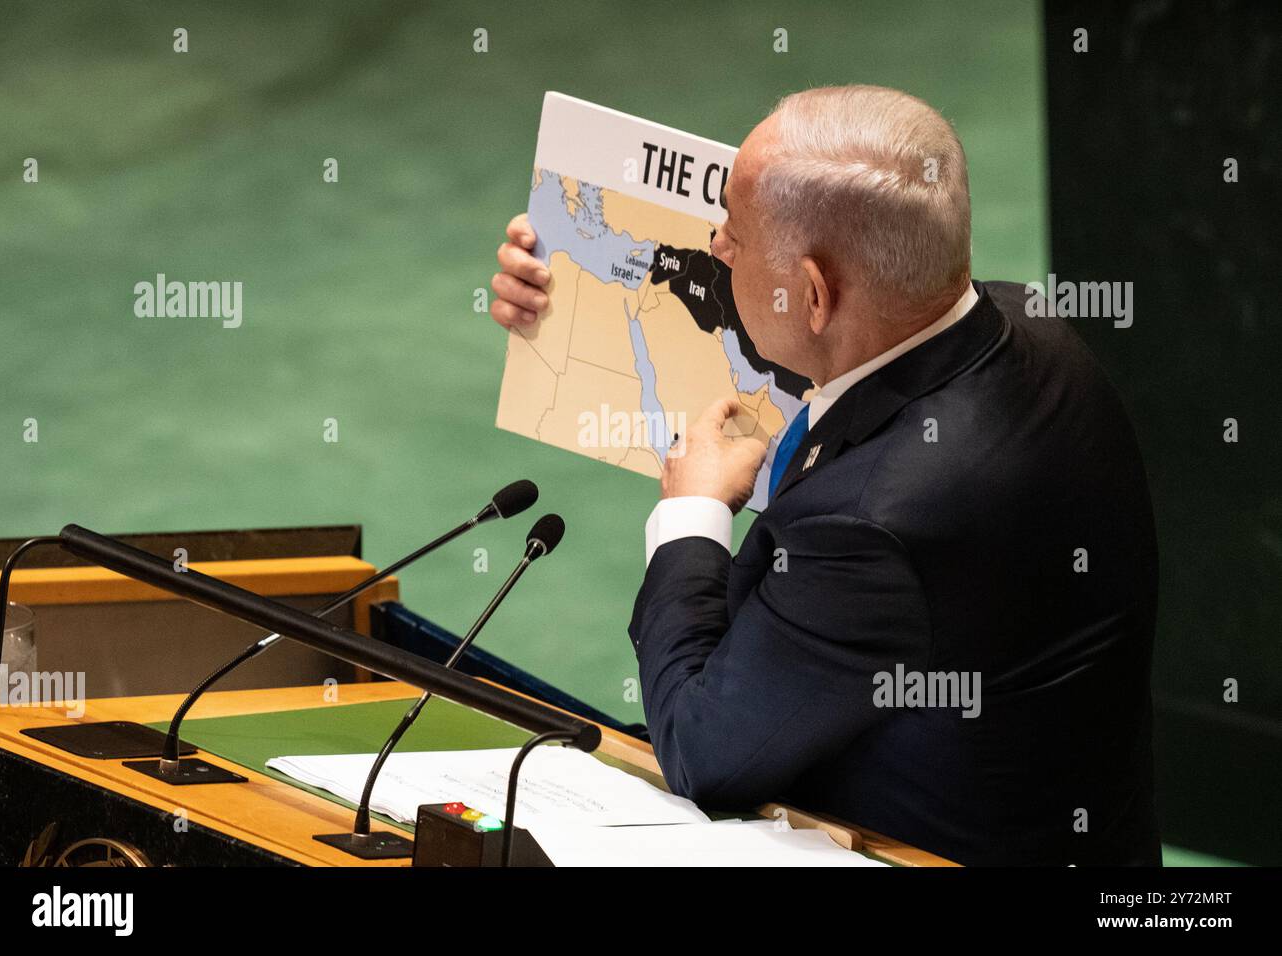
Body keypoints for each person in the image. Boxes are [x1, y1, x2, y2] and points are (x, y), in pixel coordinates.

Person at [489, 85, 1160, 866]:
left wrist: (694, 513)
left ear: (812, 293)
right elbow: (835, 380)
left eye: (732, 236)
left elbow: (703, 752)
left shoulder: (872, 526)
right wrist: (568, 298)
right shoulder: (1023, 324)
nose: (715, 246)